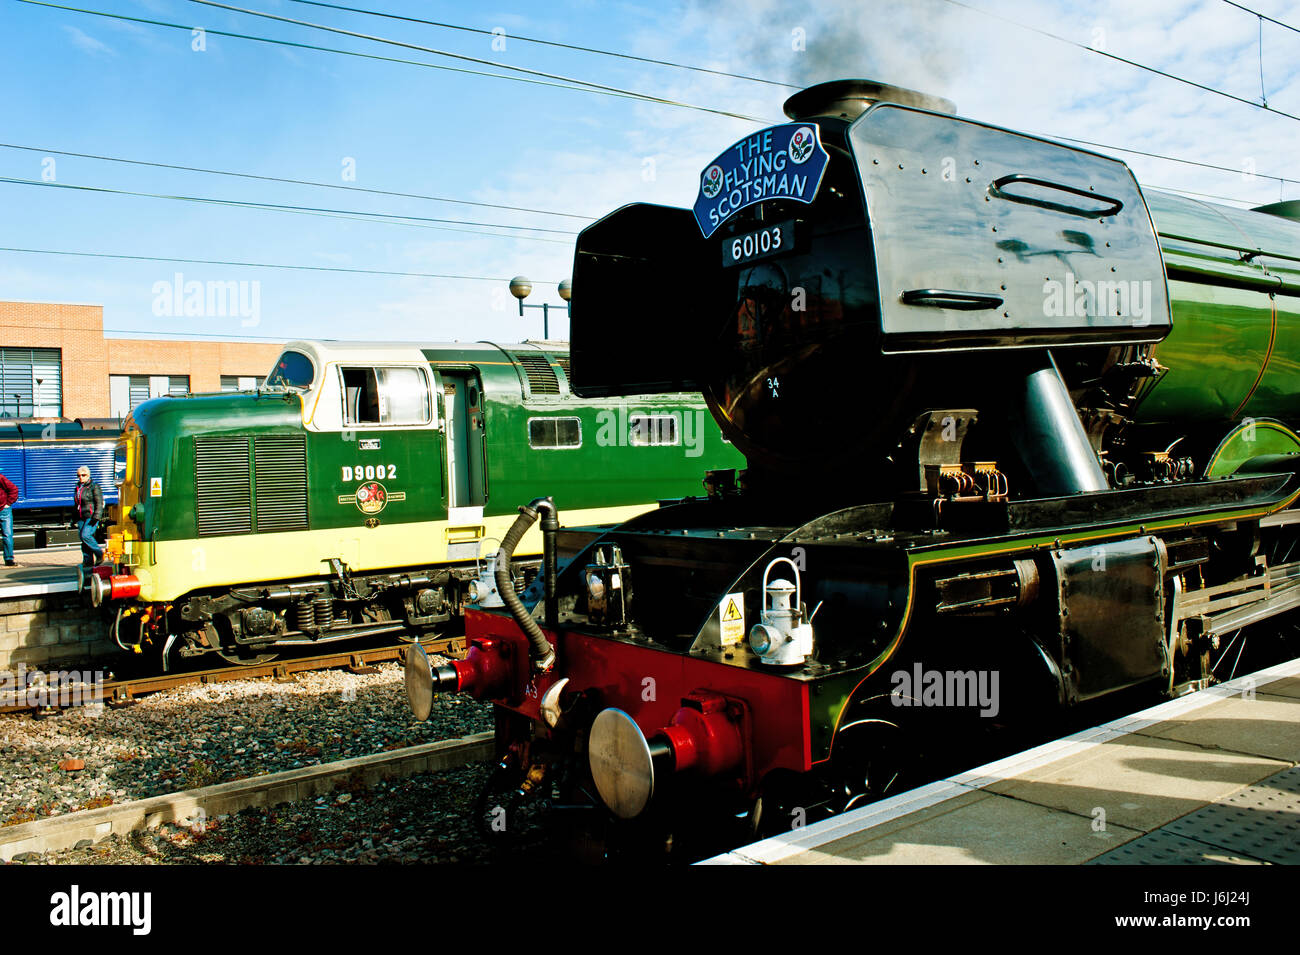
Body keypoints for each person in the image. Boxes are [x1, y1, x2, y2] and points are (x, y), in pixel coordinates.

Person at [73, 466, 104, 569]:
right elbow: (77, 504)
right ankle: (88, 562)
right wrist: (73, 518)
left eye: (83, 475)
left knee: (86, 535)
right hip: (81, 517)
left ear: (88, 475)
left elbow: (99, 503)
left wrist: (97, 516)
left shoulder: (94, 487)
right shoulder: (78, 487)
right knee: (83, 540)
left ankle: (99, 553)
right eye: (79, 475)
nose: (81, 477)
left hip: (91, 516)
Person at [0, 470, 17, 566]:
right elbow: (14, 489)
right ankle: (9, 559)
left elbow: (13, 489)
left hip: (3, 510)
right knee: (7, 534)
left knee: (7, 535)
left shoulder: (0, 477)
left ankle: (9, 559)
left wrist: (8, 503)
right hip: (4, 508)